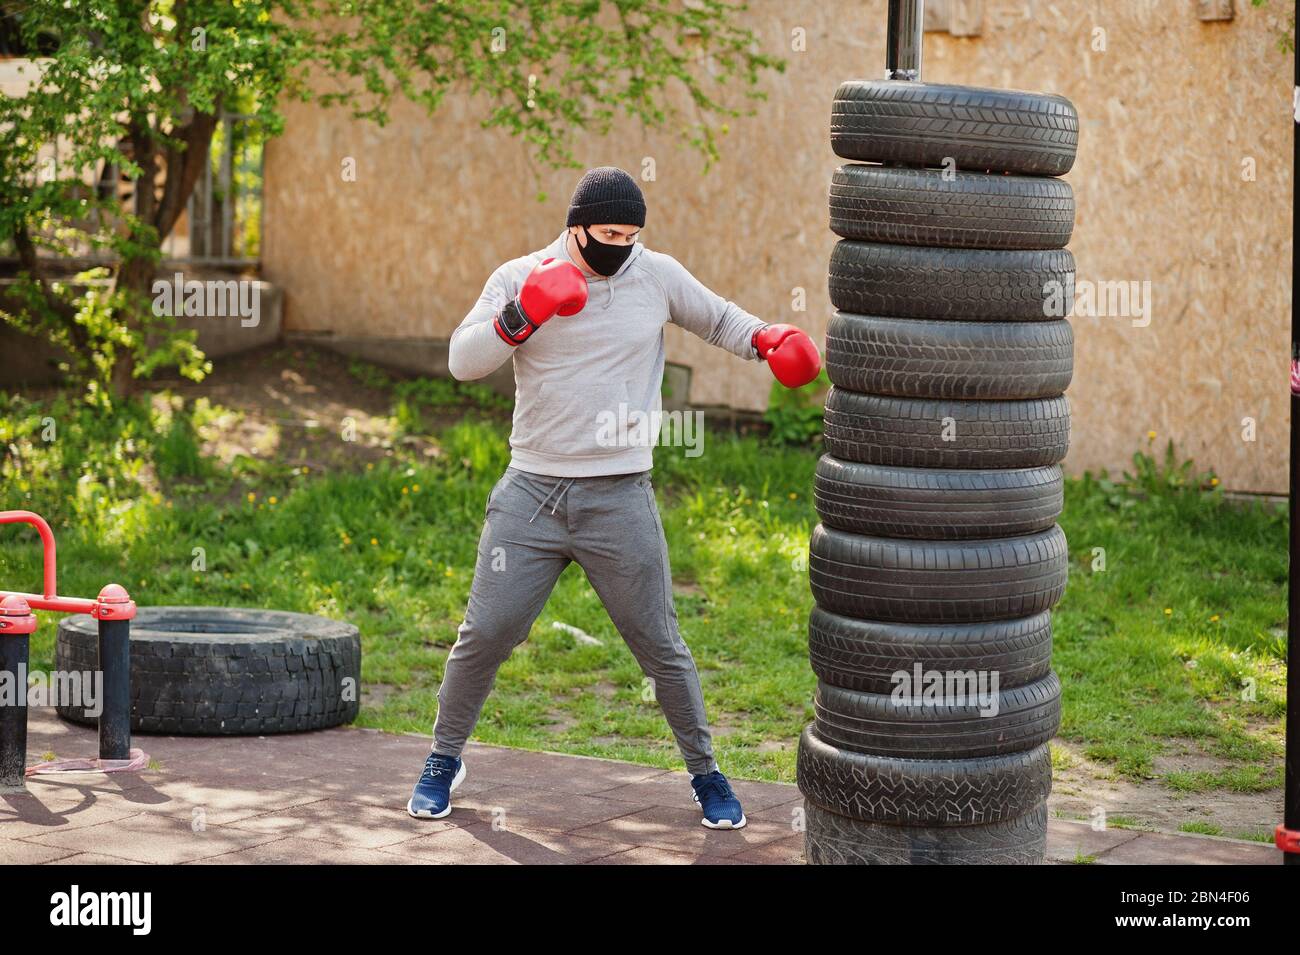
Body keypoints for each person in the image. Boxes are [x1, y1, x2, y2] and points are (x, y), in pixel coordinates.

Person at [408, 166, 820, 829]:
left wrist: (767, 341)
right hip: (533, 492)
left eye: (631, 234)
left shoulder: (655, 274)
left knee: (660, 643)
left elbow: (720, 320)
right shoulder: (520, 274)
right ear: (577, 227)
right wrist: (524, 314)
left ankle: (706, 774)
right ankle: (442, 759)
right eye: (608, 233)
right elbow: (462, 360)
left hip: (619, 496)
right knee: (485, 632)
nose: (620, 246)